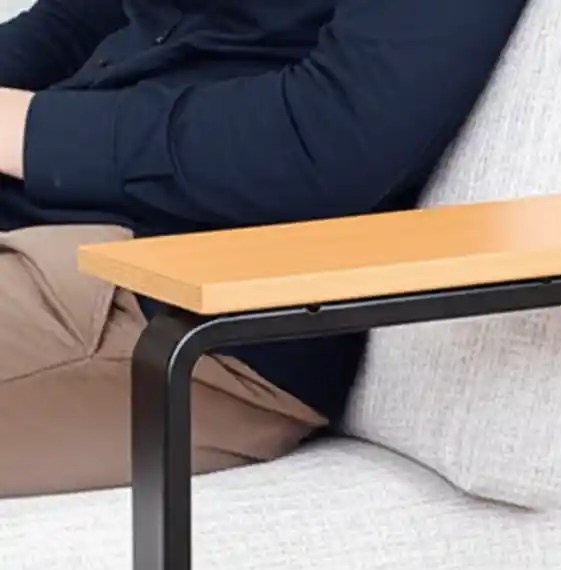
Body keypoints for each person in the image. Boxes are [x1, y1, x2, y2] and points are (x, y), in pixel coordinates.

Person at [0, 0, 529, 496]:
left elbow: (331, 141)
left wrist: (33, 132)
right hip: (46, 219)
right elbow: (85, 17)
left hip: (181, 309)